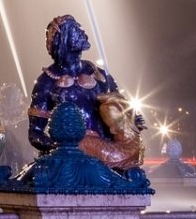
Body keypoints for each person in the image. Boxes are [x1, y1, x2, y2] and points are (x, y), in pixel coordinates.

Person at [27, 14, 144, 168]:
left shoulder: (101, 76)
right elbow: (35, 133)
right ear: (61, 40)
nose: (82, 31)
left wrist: (132, 119)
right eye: (75, 29)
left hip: (105, 156)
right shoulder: (46, 81)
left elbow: (125, 115)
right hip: (68, 160)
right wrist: (64, 147)